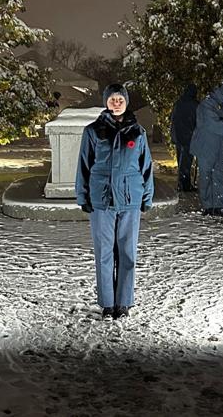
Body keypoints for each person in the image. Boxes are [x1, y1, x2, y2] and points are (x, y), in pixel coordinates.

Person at [76, 83, 154, 320]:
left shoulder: (138, 132)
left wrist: (147, 197)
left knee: (127, 253)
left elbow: (146, 167)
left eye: (120, 99)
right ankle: (108, 303)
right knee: (105, 253)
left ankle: (124, 302)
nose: (116, 103)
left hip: (130, 200)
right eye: (112, 99)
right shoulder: (93, 131)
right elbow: (83, 165)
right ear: (106, 102)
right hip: (102, 201)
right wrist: (83, 195)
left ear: (126, 102)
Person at [189, 80, 223, 217]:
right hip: (205, 145)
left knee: (219, 174)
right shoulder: (207, 104)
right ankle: (208, 206)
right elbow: (214, 124)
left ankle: (220, 206)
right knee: (206, 176)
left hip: (220, 145)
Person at [169, 83, 198, 192]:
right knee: (186, 162)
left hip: (178, 136)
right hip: (189, 137)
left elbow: (173, 119)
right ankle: (184, 185)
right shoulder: (195, 105)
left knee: (181, 160)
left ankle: (183, 183)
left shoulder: (178, 103)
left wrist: (173, 135)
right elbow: (198, 122)